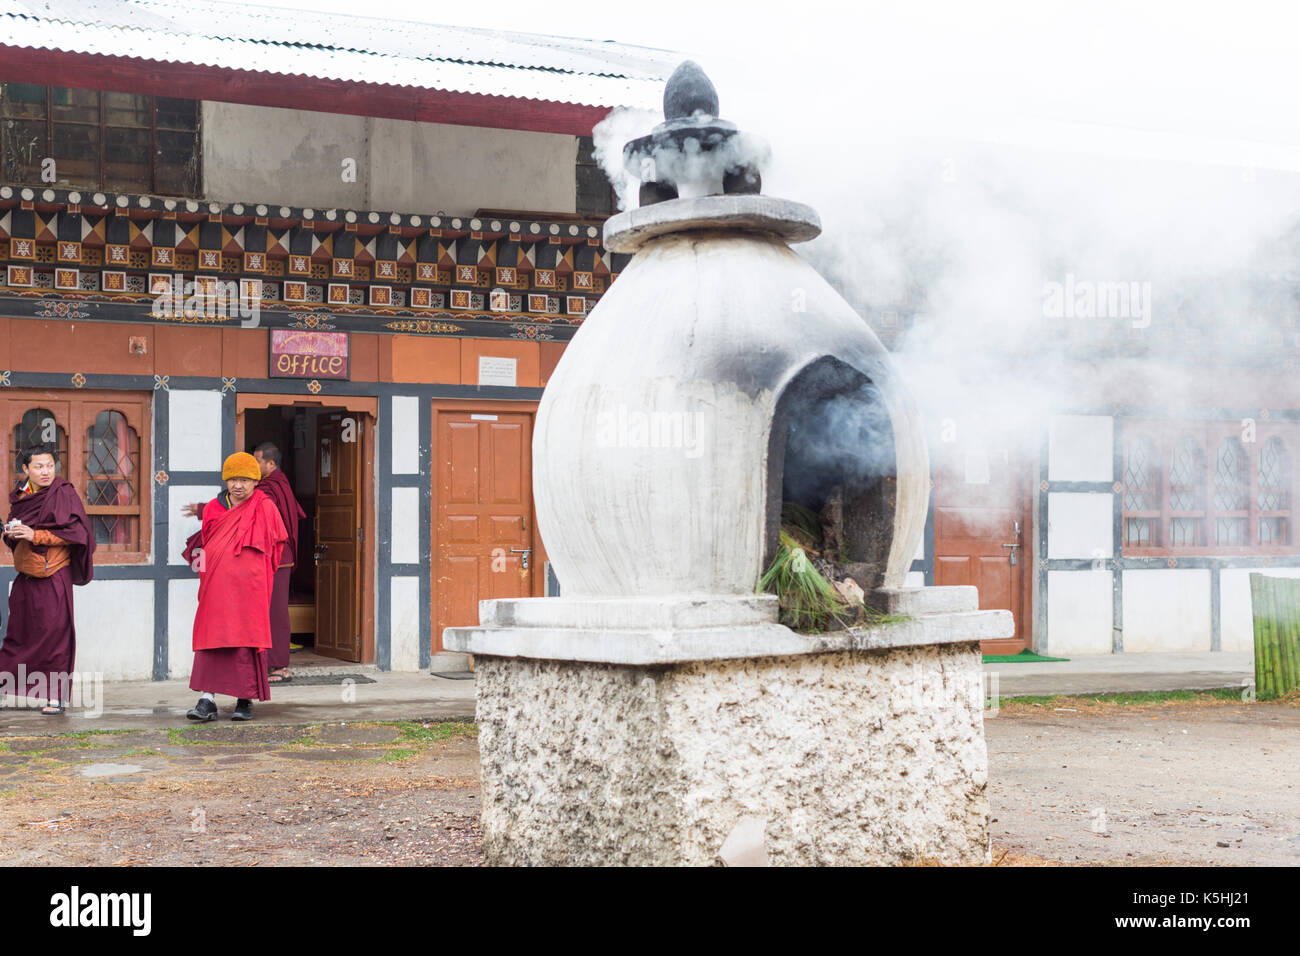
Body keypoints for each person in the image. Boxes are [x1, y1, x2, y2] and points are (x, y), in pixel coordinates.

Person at [182, 452, 287, 722]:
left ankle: (244, 699)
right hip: (216, 587)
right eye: (232, 479)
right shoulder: (215, 509)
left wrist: (259, 577)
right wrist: (205, 577)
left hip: (250, 590)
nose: (237, 485)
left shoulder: (264, 507)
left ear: (255, 481)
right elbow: (206, 545)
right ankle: (207, 699)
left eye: (244, 479)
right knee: (211, 638)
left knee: (246, 641)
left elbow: (276, 547)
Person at [0, 444, 94, 715]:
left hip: (54, 574)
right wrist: (11, 532)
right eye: (39, 466)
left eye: (50, 466)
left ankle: (55, 696)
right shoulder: (22, 496)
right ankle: (6, 688)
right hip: (26, 575)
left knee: (56, 636)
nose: (45, 472)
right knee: (18, 636)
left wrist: (36, 535)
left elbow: (76, 534)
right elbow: (16, 529)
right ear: (25, 469)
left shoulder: (63, 493)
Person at [251, 442, 305, 684]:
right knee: (266, 610)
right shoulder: (276, 484)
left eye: (257, 461)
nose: (255, 465)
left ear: (271, 464)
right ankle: (267, 662)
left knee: (276, 612)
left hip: (279, 558)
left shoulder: (271, 487)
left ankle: (281, 667)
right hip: (275, 557)